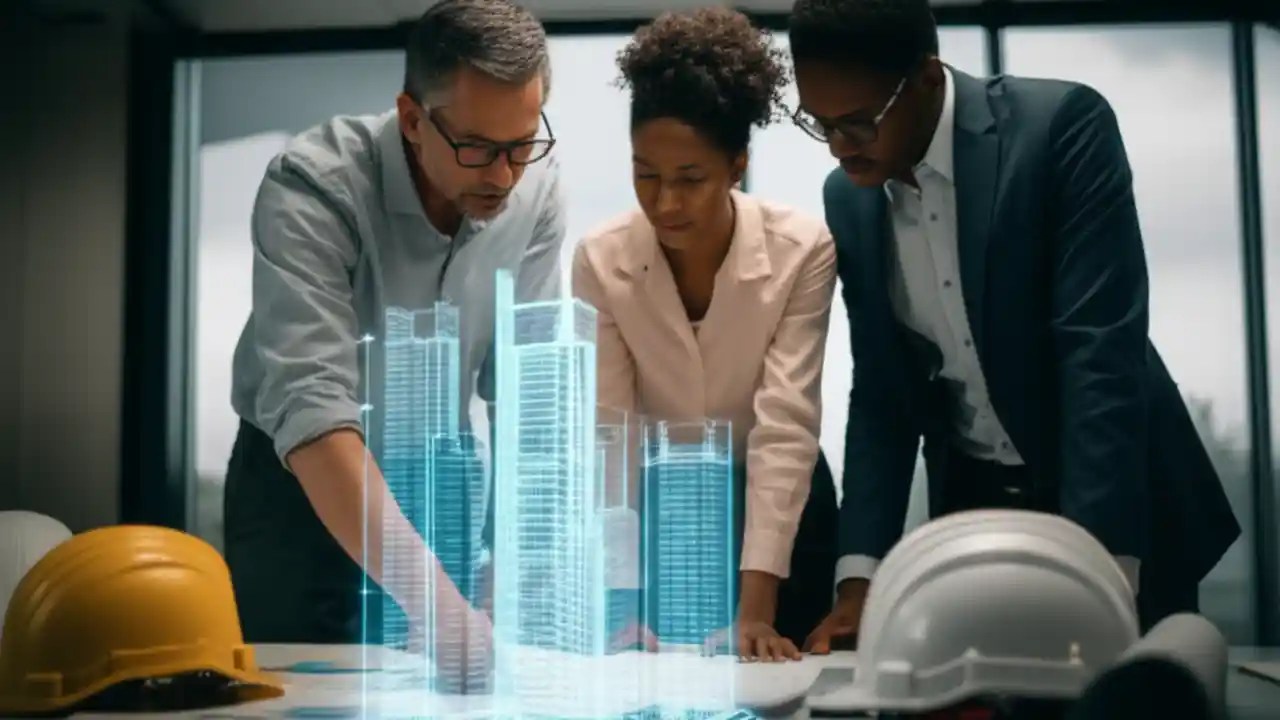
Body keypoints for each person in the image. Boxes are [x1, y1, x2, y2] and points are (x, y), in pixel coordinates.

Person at [787, 0, 1241, 651]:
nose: (837, 149)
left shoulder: (1060, 127)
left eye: (858, 123)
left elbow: (1098, 357)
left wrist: (1103, 575)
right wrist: (860, 582)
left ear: (925, 78)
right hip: (976, 514)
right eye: (819, 123)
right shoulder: (849, 198)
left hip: (1118, 502)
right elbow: (884, 396)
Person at [221, 0, 565, 675]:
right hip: (301, 482)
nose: (503, 176)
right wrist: (436, 602)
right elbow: (313, 407)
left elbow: (528, 395)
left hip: (440, 469)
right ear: (412, 118)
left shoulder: (537, 196)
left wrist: (511, 563)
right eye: (477, 148)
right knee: (301, 690)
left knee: (458, 690)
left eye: (521, 146)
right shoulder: (313, 185)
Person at [572, 6, 839, 662]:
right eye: (646, 175)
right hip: (659, 508)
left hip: (779, 507)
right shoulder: (600, 259)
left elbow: (785, 428)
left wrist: (756, 612)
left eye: (690, 180)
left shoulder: (801, 248)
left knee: (773, 679)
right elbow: (614, 436)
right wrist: (623, 603)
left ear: (737, 165)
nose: (664, 203)